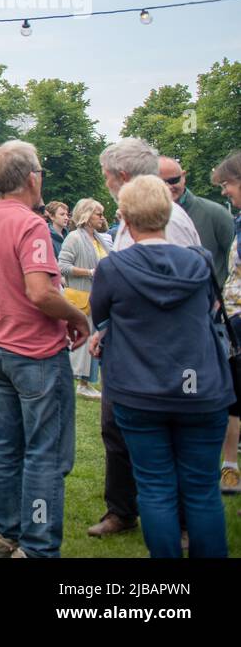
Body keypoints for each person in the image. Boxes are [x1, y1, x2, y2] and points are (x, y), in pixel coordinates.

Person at [89, 175, 233, 557]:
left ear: (125, 218)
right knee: (201, 489)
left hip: (140, 390)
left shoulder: (113, 269)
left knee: (155, 487)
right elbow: (209, 309)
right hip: (200, 388)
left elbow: (101, 317)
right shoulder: (199, 262)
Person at [0, 140, 90, 558]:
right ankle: (38, 547)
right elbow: (40, 292)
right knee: (44, 453)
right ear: (32, 178)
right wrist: (77, 317)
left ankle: (3, 535)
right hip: (35, 352)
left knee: (6, 444)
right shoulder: (31, 224)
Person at [89, 137, 201, 539]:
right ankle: (122, 509)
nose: (104, 183)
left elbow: (183, 292)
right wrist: (107, 329)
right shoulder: (129, 218)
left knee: (170, 434)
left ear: (121, 176)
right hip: (125, 347)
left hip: (163, 351)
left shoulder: (169, 220)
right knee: (115, 429)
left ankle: (184, 523)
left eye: (105, 176)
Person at [209, 152, 241, 498]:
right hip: (233, 322)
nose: (225, 192)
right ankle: (229, 468)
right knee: (234, 399)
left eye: (228, 184)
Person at [58, 198, 109, 400]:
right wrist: (89, 272)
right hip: (82, 297)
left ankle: (87, 381)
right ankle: (82, 383)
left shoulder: (100, 239)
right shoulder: (74, 238)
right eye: (98, 213)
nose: (102, 217)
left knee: (94, 338)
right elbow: (62, 266)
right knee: (83, 339)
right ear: (87, 216)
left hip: (98, 298)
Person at [160, 156, 234, 288]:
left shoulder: (214, 213)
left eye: (173, 180)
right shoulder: (145, 220)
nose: (167, 187)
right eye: (159, 182)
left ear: (183, 176)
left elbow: (235, 263)